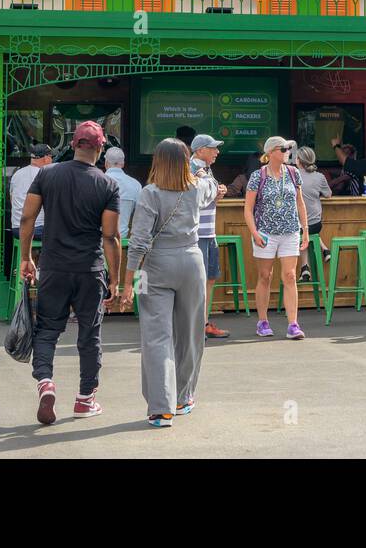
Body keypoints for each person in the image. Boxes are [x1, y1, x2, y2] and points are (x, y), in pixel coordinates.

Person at [18, 120, 120, 425]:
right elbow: (110, 236)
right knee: (90, 335)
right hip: (90, 270)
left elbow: (26, 218)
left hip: (54, 267)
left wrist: (26, 258)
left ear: (73, 144)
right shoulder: (107, 184)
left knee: (48, 330)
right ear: (101, 149)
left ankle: (46, 383)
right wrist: (115, 279)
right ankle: (85, 400)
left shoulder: (47, 175)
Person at [119, 138, 218, 427]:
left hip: (154, 268)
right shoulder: (196, 188)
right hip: (191, 262)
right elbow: (212, 188)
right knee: (189, 333)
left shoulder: (149, 193)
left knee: (155, 335)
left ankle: (161, 408)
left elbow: (138, 242)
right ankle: (183, 397)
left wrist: (129, 283)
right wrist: (202, 174)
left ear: (158, 162)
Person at [245, 137, 310, 339]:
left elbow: (300, 203)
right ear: (271, 152)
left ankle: (293, 324)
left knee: (290, 275)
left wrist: (305, 230)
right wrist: (254, 232)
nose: (287, 152)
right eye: (283, 149)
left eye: (288, 149)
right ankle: (263, 321)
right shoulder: (258, 175)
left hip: (290, 231)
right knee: (265, 276)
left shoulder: (293, 173)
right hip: (266, 232)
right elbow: (247, 208)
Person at [189, 134, 229, 340]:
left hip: (208, 232)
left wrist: (217, 191)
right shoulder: (193, 168)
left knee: (209, 279)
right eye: (212, 148)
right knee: (199, 281)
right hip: (198, 234)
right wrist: (216, 190)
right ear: (199, 150)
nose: (217, 151)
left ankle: (202, 324)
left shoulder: (204, 168)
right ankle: (196, 326)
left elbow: (207, 195)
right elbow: (195, 197)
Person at [294, 146, 332, 279]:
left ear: (298, 161)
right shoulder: (320, 177)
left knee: (302, 231)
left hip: (299, 226)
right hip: (316, 224)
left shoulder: (293, 176)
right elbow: (328, 194)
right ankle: (324, 250)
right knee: (307, 231)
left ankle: (305, 267)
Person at [9, 143, 52, 242]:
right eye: (51, 157)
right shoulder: (45, 174)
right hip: (37, 229)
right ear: (46, 158)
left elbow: (12, 199)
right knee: (65, 231)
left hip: (16, 228)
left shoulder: (17, 174)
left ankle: (34, 255)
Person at [103, 147, 142, 240]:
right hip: (123, 242)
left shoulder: (97, 182)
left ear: (106, 163)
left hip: (98, 242)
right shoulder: (136, 185)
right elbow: (140, 216)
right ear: (123, 163)